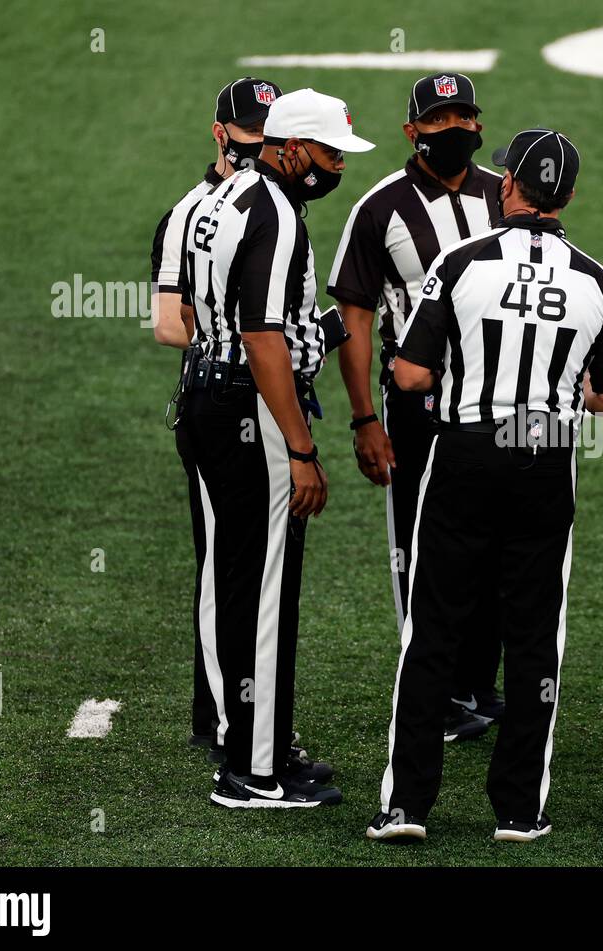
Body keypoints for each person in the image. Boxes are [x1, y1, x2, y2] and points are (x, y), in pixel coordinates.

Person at [368, 129, 603, 842]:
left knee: (432, 629)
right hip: (546, 454)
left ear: (507, 184)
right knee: (533, 637)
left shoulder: (461, 262)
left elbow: (413, 374)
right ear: (570, 196)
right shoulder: (596, 278)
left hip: (467, 448)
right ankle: (519, 808)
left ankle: (407, 805)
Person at [177, 88, 374, 808]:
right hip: (248, 408)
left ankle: (246, 737)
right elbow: (261, 336)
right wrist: (300, 447)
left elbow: (219, 316)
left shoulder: (220, 199)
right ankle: (255, 773)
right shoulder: (277, 213)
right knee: (263, 590)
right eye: (326, 154)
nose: (334, 169)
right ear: (291, 147)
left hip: (204, 393)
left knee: (233, 577)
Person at [327, 73, 503, 744]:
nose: (454, 129)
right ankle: (430, 688)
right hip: (420, 403)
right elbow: (355, 318)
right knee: (423, 545)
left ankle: (476, 684)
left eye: (464, 117)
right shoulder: (380, 208)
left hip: (497, 396)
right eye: (439, 120)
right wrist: (364, 418)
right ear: (412, 131)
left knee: (494, 539)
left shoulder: (500, 193)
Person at [150, 76, 281, 761]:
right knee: (220, 564)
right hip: (220, 395)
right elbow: (169, 325)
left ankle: (248, 712)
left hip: (260, 398)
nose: (257, 149)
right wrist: (242, 328)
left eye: (268, 137)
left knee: (253, 569)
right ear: (220, 132)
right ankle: (218, 715)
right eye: (247, 135)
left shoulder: (273, 205)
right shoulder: (192, 212)